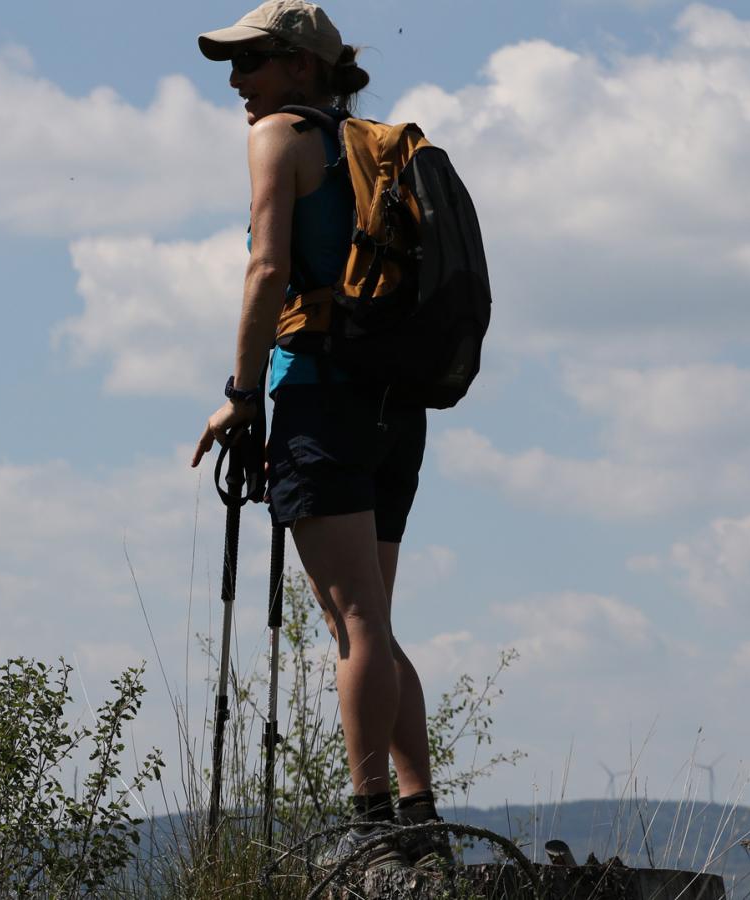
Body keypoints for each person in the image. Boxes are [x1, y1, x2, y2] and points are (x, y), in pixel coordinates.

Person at [189, 0, 451, 874]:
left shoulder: (281, 139)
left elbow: (267, 267)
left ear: (300, 66)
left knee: (353, 624)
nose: (237, 83)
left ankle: (369, 819)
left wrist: (241, 395)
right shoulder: (371, 147)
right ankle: (420, 820)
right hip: (393, 404)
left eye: (251, 62)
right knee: (374, 619)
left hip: (320, 396)